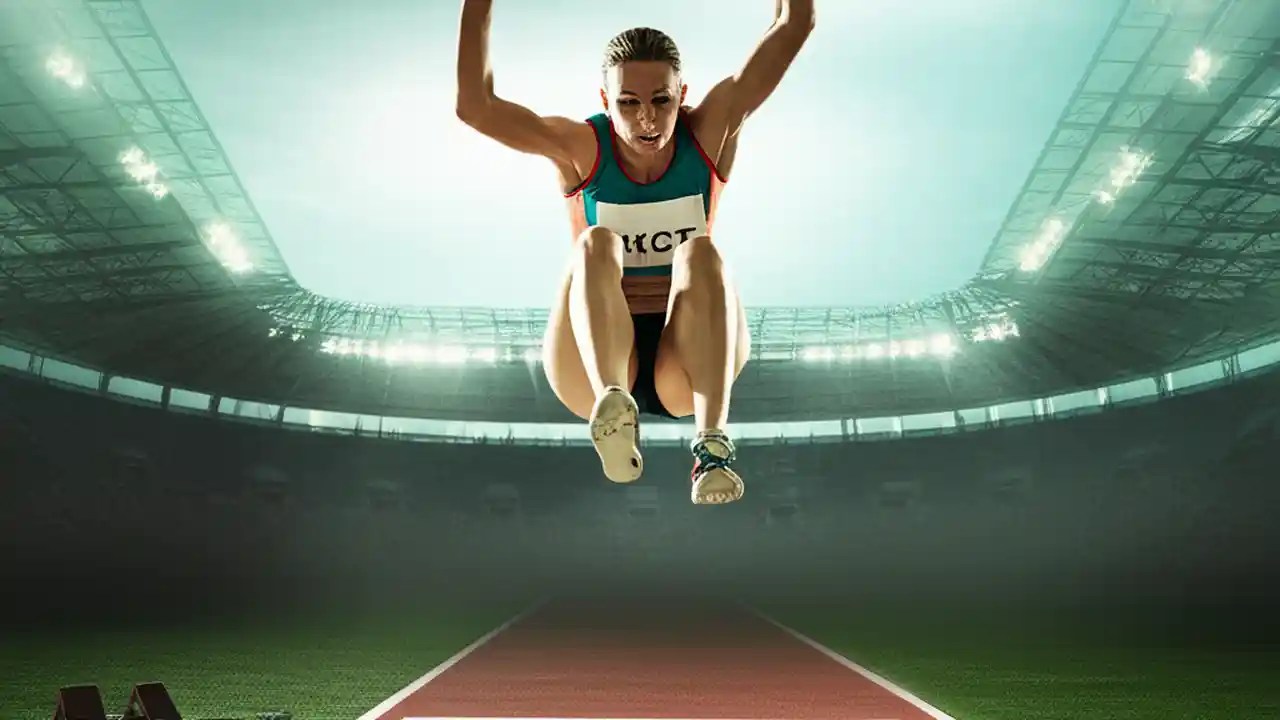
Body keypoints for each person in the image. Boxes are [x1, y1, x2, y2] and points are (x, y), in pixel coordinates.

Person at [455, 0, 814, 504]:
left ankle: (712, 448)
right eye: (628, 103)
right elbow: (476, 108)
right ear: (605, 100)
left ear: (681, 94)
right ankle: (613, 406)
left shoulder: (709, 133)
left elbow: (795, 22)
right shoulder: (581, 148)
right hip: (595, 362)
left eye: (661, 101)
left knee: (701, 254)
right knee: (596, 242)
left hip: (685, 360)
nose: (647, 119)